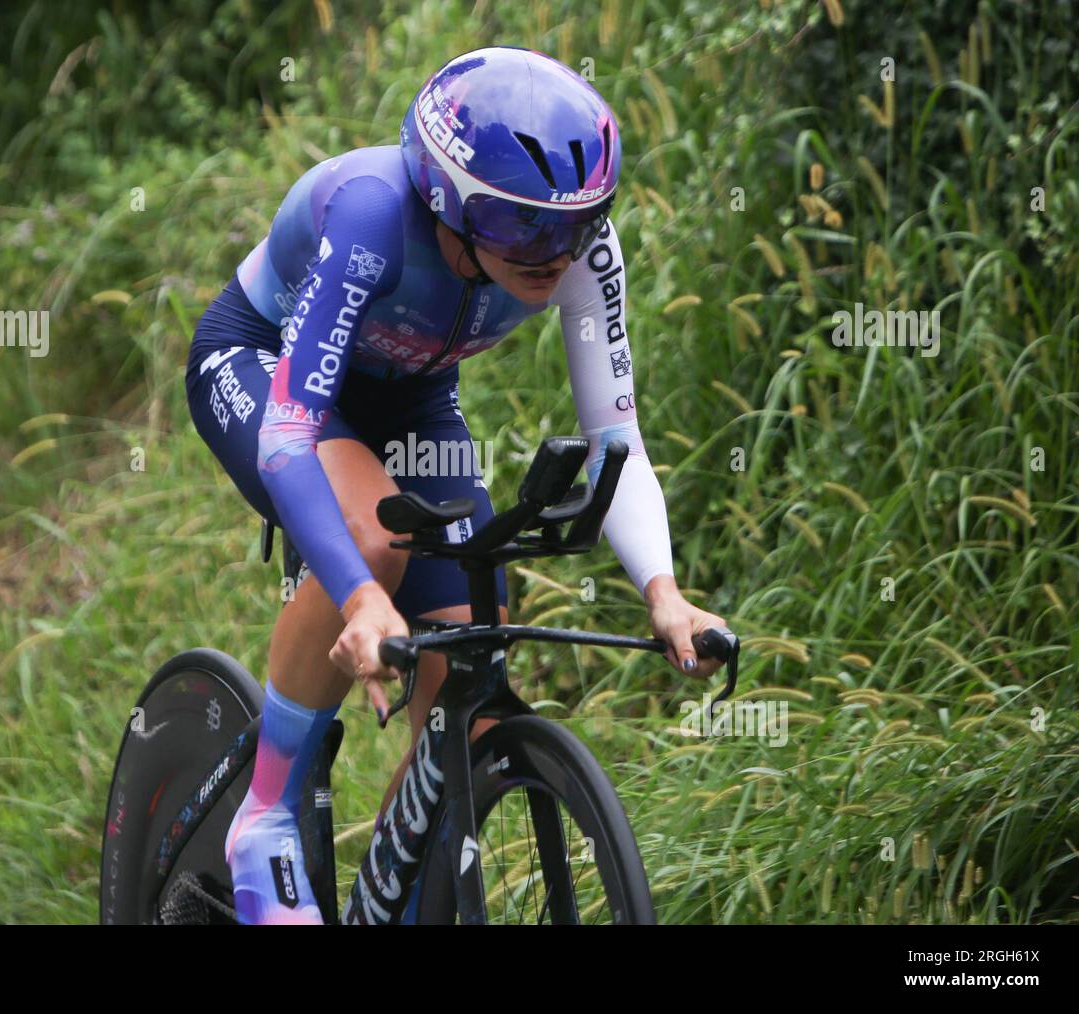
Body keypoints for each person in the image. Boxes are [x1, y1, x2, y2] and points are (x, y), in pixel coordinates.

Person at [185, 46, 726, 925]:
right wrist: (360, 596)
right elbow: (290, 434)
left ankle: (398, 892)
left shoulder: (579, 248)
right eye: (523, 228)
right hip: (264, 366)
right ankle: (266, 815)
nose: (554, 255)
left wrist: (664, 595)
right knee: (373, 538)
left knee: (468, 683)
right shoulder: (370, 212)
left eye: (578, 223)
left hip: (412, 399)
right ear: (447, 200)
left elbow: (614, 441)